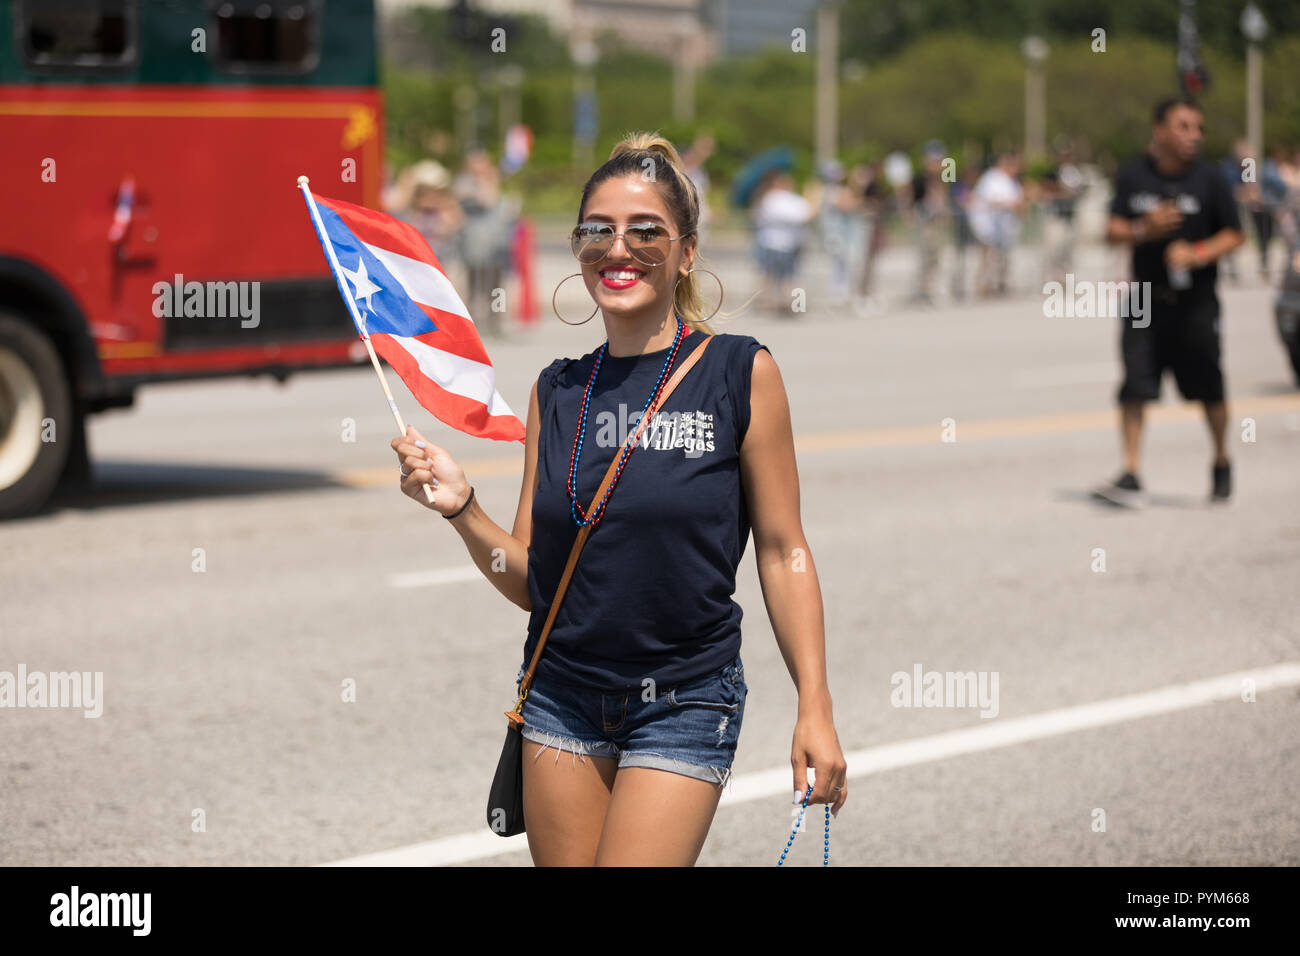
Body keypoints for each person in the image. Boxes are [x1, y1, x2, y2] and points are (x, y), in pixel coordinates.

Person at [390, 132, 847, 866]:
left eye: (645, 231)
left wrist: (815, 705)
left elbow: (784, 548)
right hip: (560, 698)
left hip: (686, 699)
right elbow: (534, 581)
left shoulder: (740, 372)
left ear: (687, 251)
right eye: (597, 230)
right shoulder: (558, 389)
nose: (618, 248)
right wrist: (463, 509)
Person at [1094, 95, 1246, 508]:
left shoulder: (1209, 179)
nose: (1194, 136)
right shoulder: (1134, 176)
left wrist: (1197, 254)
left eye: (1199, 129)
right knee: (1134, 385)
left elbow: (1235, 233)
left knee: (1209, 386)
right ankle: (1130, 472)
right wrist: (1144, 228)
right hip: (1143, 296)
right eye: (1183, 127)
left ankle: (1221, 460)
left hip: (1195, 301)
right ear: (1159, 130)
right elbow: (1111, 230)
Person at [750, 169, 814, 315]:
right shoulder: (774, 199)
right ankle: (773, 304)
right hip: (775, 244)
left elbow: (806, 213)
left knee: (783, 276)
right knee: (774, 275)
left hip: (784, 244)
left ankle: (787, 305)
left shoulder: (782, 198)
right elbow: (801, 215)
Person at [969, 152, 1025, 297]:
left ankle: (1000, 285)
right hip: (988, 229)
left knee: (1003, 260)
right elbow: (992, 200)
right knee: (988, 260)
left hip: (1005, 231)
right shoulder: (991, 178)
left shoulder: (1012, 181)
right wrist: (1010, 205)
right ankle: (983, 287)